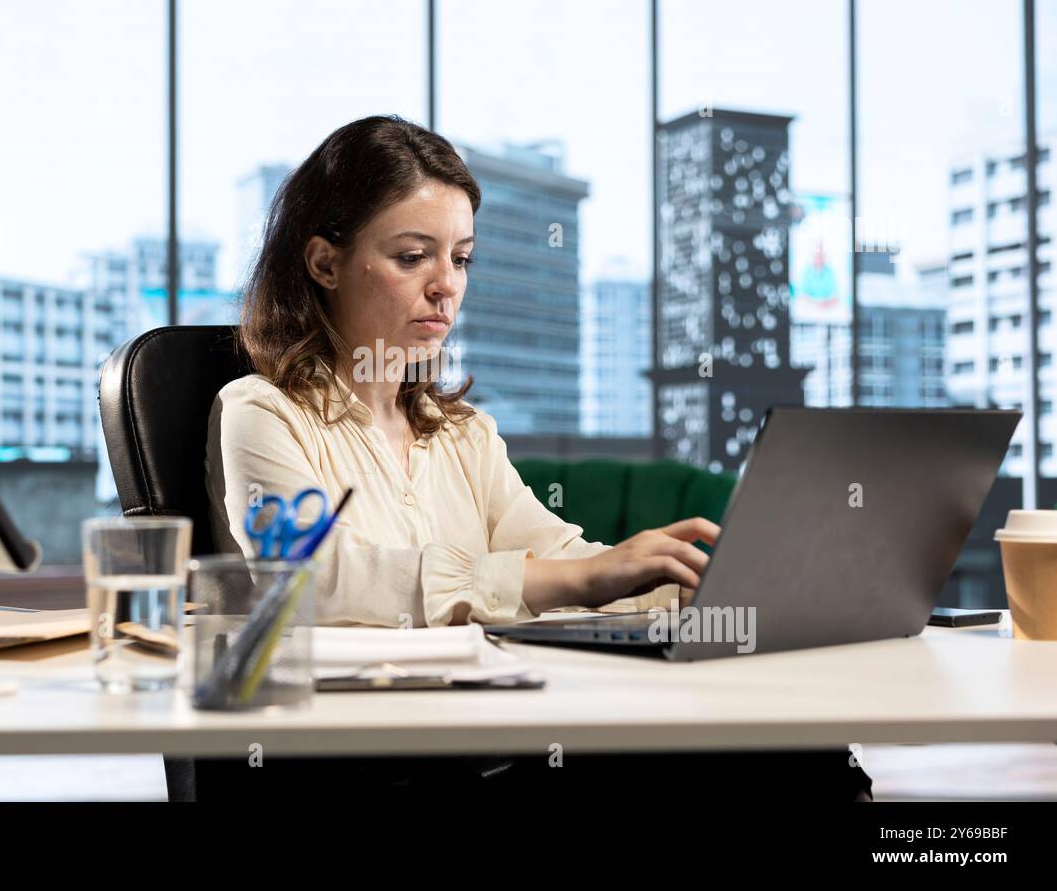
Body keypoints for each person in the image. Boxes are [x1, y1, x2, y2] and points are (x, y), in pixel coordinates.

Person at [201, 114, 874, 800]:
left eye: (460, 258)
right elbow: (315, 582)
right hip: (380, 761)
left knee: (795, 742)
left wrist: (681, 584)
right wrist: (574, 581)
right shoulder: (262, 412)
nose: (446, 285)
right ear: (324, 263)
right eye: (412, 257)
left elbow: (556, 554)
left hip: (498, 725)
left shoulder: (462, 432)